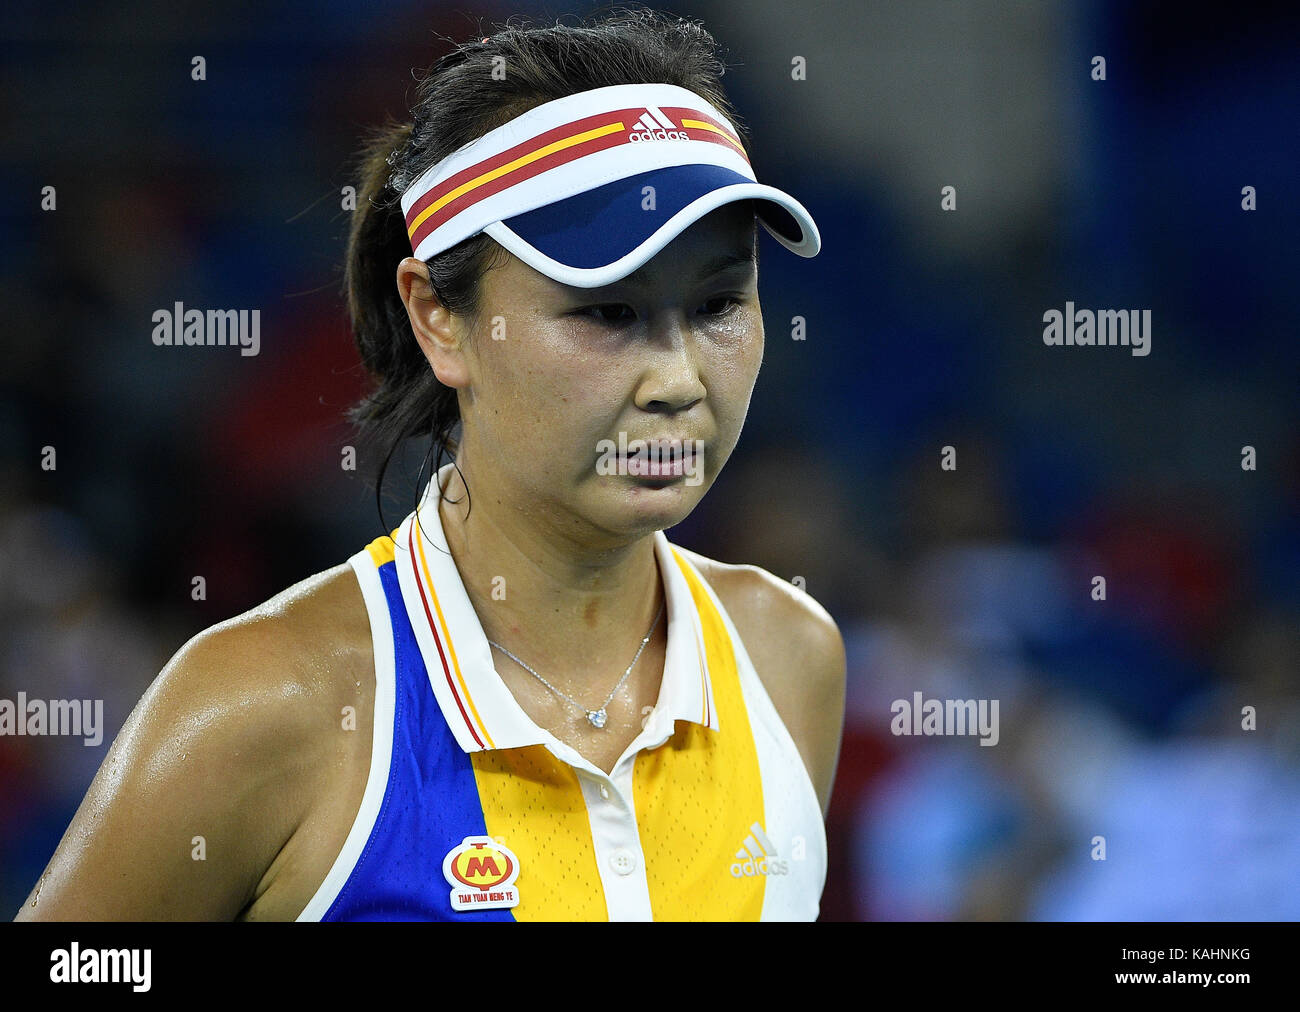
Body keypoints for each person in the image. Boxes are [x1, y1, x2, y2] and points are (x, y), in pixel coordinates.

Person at [15, 9, 845, 922]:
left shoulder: (791, 657)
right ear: (437, 318)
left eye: (720, 304)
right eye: (608, 314)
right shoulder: (263, 705)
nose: (679, 380)